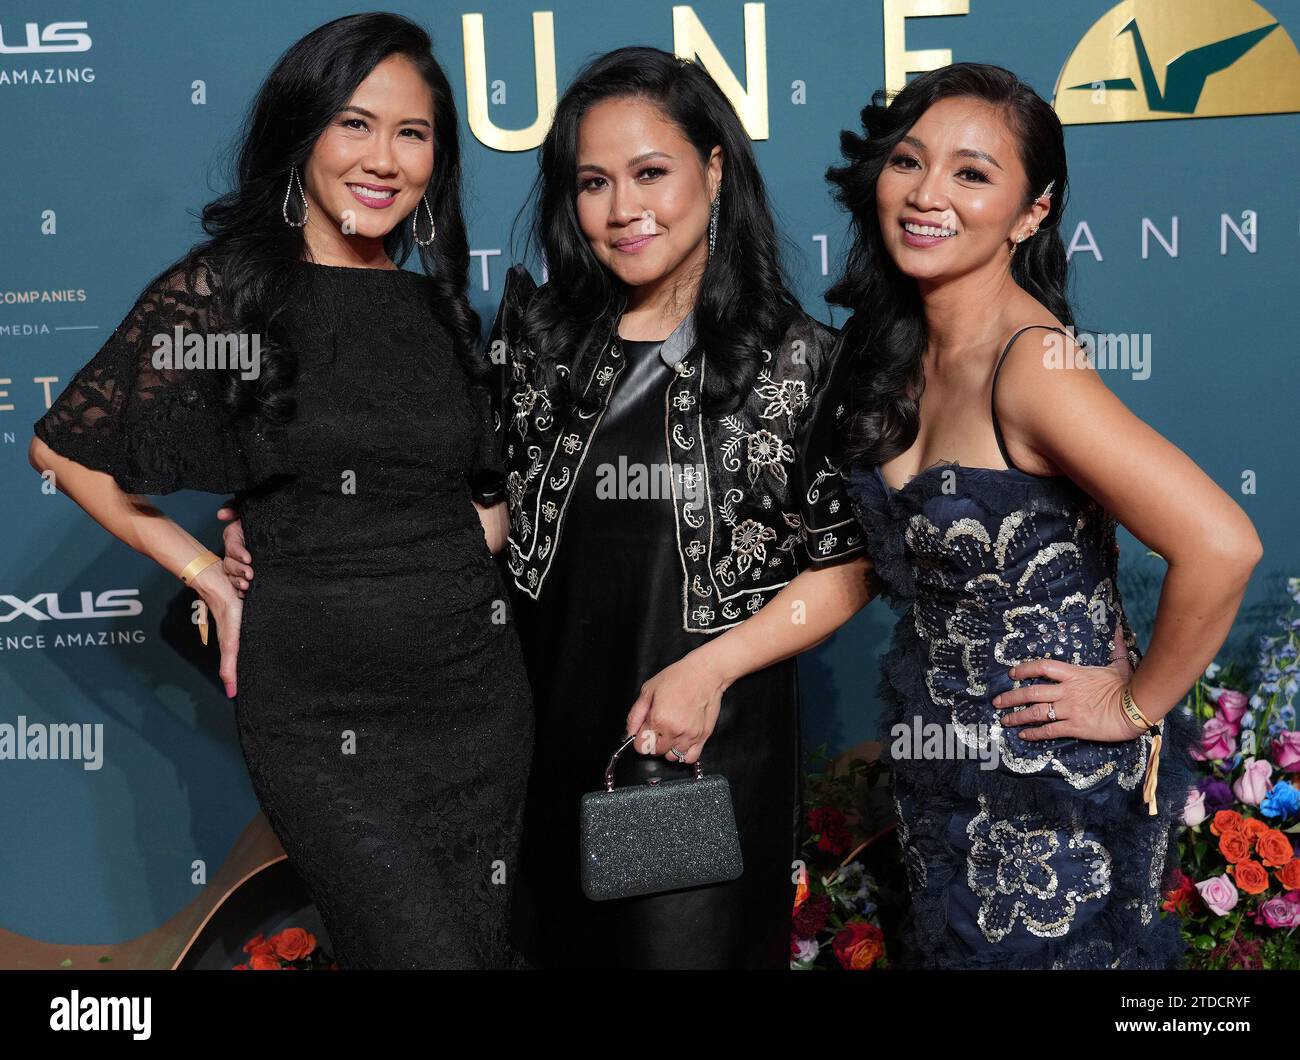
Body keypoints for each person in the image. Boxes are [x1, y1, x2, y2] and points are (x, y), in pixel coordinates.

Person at [29, 13, 532, 969]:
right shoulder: (234, 299)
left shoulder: (435, 310)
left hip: (475, 708)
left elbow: (480, 500)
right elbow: (66, 449)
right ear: (303, 134)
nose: (384, 158)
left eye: (413, 133)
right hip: (317, 713)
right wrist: (207, 576)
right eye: (354, 124)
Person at [828, 63, 1262, 968]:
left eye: (973, 173)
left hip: (1049, 794)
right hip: (941, 774)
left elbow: (1222, 544)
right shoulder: (901, 349)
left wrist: (1134, 707)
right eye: (909, 161)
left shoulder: (1034, 367)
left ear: (1032, 213)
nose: (926, 193)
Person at [489, 47, 875, 969]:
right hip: (533, 749)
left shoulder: (797, 360)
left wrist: (711, 670)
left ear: (711, 168)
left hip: (681, 754)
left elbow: (847, 563)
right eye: (594, 182)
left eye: (651, 172)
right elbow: (488, 520)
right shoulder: (536, 341)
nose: (624, 210)